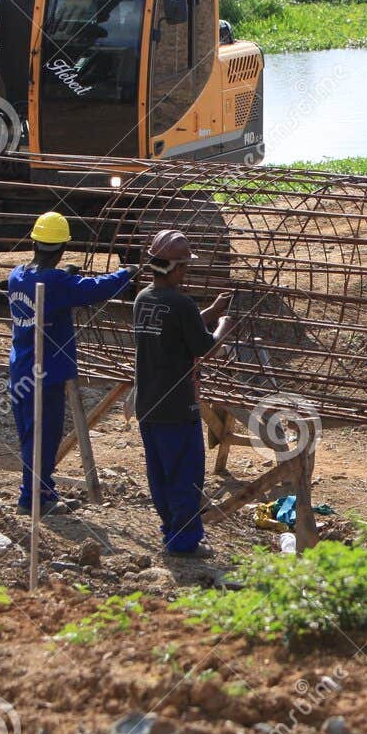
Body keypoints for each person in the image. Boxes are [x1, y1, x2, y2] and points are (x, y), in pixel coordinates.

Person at [7, 212, 135, 514]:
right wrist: (127, 273)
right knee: (43, 438)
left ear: (34, 243)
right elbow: (95, 289)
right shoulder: (55, 283)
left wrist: (66, 274)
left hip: (21, 368)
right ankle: (33, 499)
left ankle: (41, 492)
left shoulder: (17, 275)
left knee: (31, 435)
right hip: (45, 372)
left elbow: (50, 287)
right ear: (62, 248)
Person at [133, 229, 230, 559]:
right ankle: (184, 541)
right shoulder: (182, 304)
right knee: (186, 475)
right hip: (177, 407)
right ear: (175, 267)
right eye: (185, 266)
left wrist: (211, 311)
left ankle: (171, 531)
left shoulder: (143, 299)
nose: (186, 272)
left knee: (160, 473)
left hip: (148, 403)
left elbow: (175, 329)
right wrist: (224, 326)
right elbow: (204, 346)